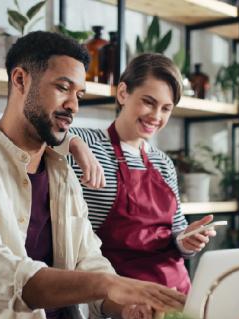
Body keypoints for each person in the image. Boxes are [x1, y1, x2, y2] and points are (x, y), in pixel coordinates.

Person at [0, 32, 185, 319]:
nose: (73, 106)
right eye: (63, 88)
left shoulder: (61, 172)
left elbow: (88, 260)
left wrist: (126, 307)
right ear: (20, 80)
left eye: (79, 94)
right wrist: (112, 284)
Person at [68, 53, 217, 295]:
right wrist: (72, 143)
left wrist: (187, 240)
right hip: (119, 298)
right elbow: (41, 135)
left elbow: (176, 235)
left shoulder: (163, 162)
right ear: (123, 93)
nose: (156, 116)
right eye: (148, 102)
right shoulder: (87, 144)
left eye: (166, 109)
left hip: (177, 293)